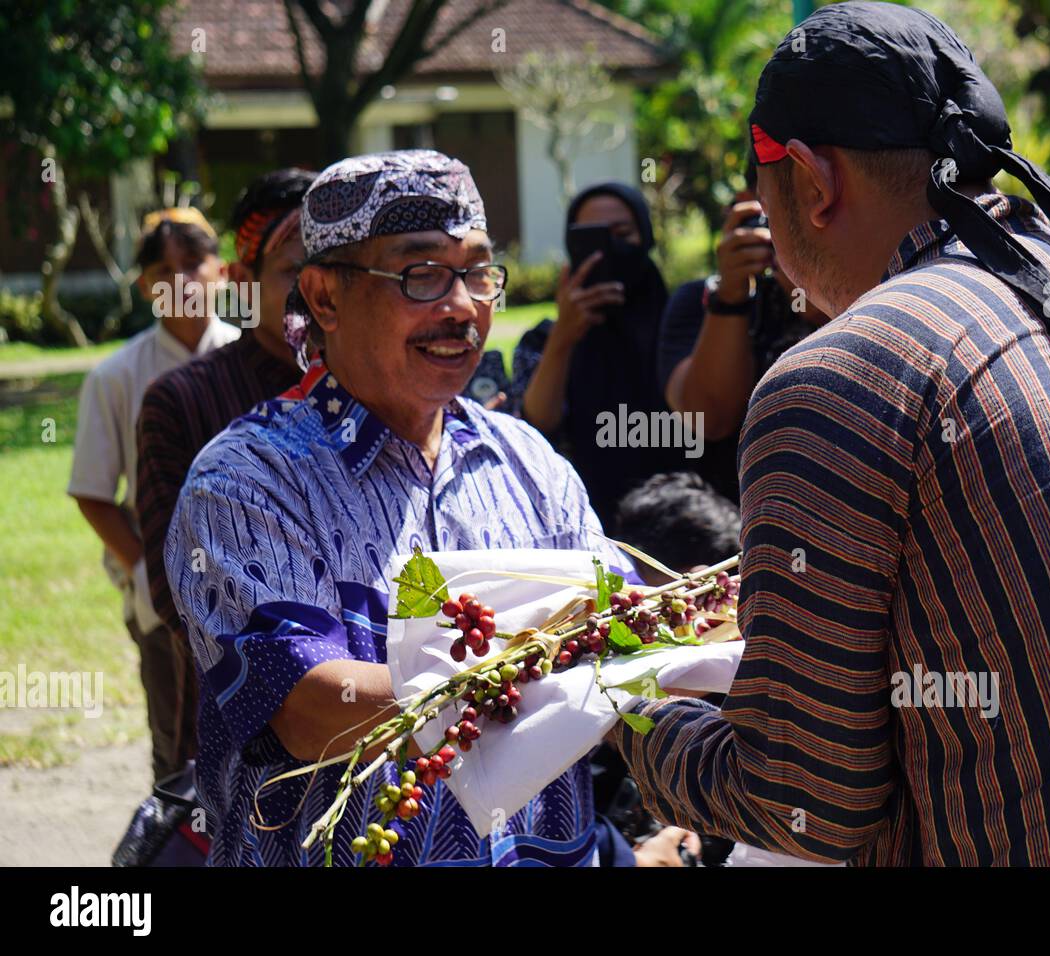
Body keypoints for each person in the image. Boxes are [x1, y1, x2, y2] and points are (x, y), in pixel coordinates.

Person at [611, 2, 1050, 866]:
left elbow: (803, 803)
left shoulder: (843, 374)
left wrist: (624, 703)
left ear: (815, 183)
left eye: (758, 175)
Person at [165, 150, 633, 867]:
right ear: (324, 298)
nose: (462, 307)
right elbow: (310, 705)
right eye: (421, 275)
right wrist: (528, 667)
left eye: (478, 272)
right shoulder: (246, 482)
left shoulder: (528, 462)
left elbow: (620, 632)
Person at [135, 168, 316, 778]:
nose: (320, 289)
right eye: (296, 270)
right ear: (242, 281)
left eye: (340, 265)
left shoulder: (383, 394)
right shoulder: (181, 402)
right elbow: (176, 592)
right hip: (245, 756)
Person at [67, 207, 240, 784]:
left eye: (194, 263)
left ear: (223, 271)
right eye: (164, 272)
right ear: (145, 286)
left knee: (260, 750)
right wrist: (146, 569)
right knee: (180, 759)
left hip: (256, 591)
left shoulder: (251, 362)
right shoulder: (117, 377)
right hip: (162, 603)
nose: (182, 282)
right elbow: (93, 490)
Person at [511, 183, 681, 524]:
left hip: (682, 518)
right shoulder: (542, 340)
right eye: (593, 237)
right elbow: (537, 427)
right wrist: (564, 337)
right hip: (587, 526)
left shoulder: (682, 324)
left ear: (646, 236)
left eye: (622, 233)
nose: (611, 248)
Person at [658, 172, 827, 501]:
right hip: (727, 515)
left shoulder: (862, 284)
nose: (778, 234)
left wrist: (820, 297)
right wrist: (731, 297)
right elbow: (707, 419)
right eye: (766, 218)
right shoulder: (699, 301)